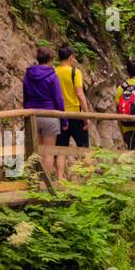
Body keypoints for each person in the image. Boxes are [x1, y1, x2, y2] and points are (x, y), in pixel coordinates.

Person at [22, 47, 65, 179]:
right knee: (49, 152)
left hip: (33, 115)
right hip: (49, 115)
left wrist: (26, 114)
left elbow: (25, 97)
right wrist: (64, 120)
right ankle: (45, 184)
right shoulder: (52, 76)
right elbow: (59, 99)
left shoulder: (28, 76)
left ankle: (35, 180)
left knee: (37, 151)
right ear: (50, 59)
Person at [53, 45, 90, 180]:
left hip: (60, 116)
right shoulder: (75, 72)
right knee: (84, 148)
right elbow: (80, 95)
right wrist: (86, 116)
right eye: (74, 58)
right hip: (76, 115)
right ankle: (88, 179)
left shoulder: (54, 72)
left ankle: (60, 179)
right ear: (71, 57)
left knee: (61, 149)